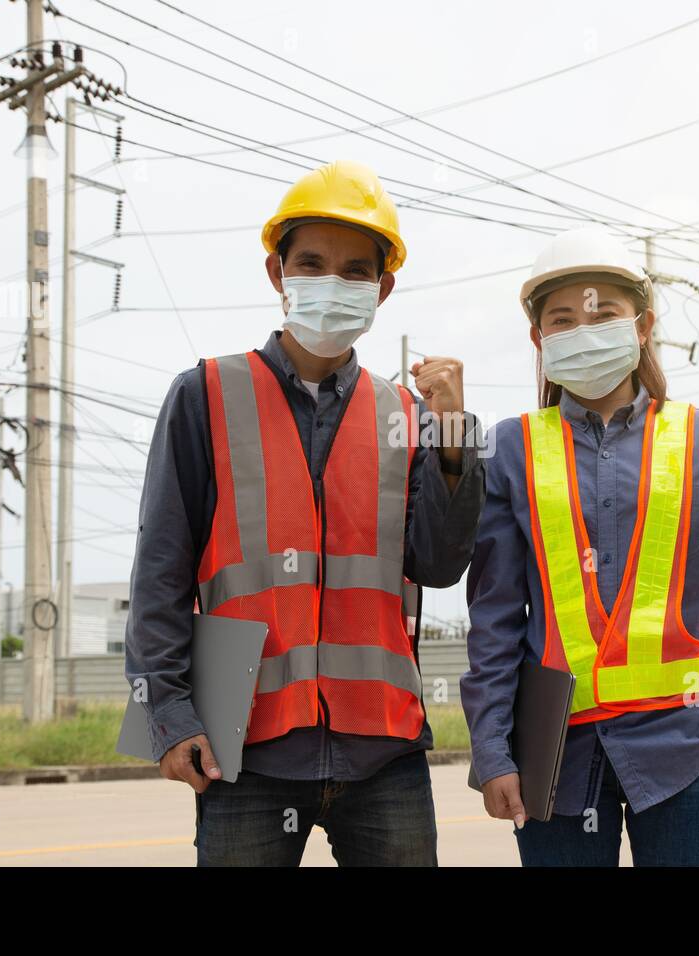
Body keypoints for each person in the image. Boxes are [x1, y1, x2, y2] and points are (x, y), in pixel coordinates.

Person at [125, 160, 485, 866]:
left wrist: (455, 432)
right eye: (312, 263)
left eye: (356, 271)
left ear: (382, 289)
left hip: (384, 747)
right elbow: (160, 572)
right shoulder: (205, 394)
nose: (334, 283)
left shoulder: (409, 415)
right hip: (245, 746)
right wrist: (166, 715)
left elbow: (441, 565)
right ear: (276, 272)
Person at [461, 227, 699, 866]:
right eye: (562, 320)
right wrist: (490, 747)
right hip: (557, 753)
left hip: (685, 741)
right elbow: (493, 615)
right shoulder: (510, 448)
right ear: (539, 340)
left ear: (643, 325)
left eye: (603, 314)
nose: (582, 329)